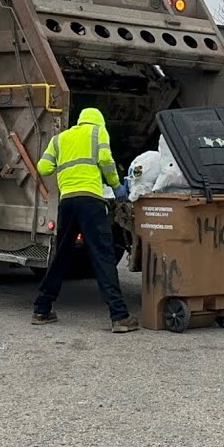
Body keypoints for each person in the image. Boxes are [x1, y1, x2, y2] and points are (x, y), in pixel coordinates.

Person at [31, 107, 139, 333]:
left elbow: (43, 167)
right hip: (91, 201)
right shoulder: (98, 132)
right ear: (99, 122)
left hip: (67, 203)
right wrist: (116, 186)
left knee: (61, 256)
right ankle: (119, 316)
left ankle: (41, 309)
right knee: (103, 256)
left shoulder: (60, 139)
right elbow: (106, 160)